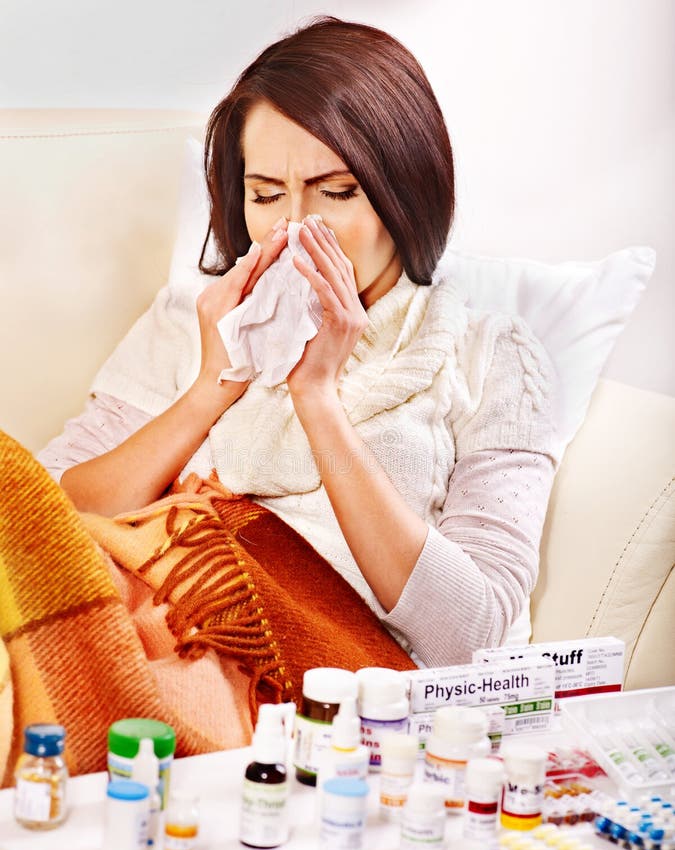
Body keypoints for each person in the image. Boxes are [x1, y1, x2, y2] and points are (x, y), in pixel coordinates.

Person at [37, 15, 558, 668]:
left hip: (301, 687)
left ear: (406, 191)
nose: (292, 228)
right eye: (264, 194)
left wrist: (317, 398)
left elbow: (470, 633)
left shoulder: (491, 355)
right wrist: (208, 390)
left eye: (335, 191)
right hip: (127, 626)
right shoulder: (191, 319)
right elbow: (46, 519)